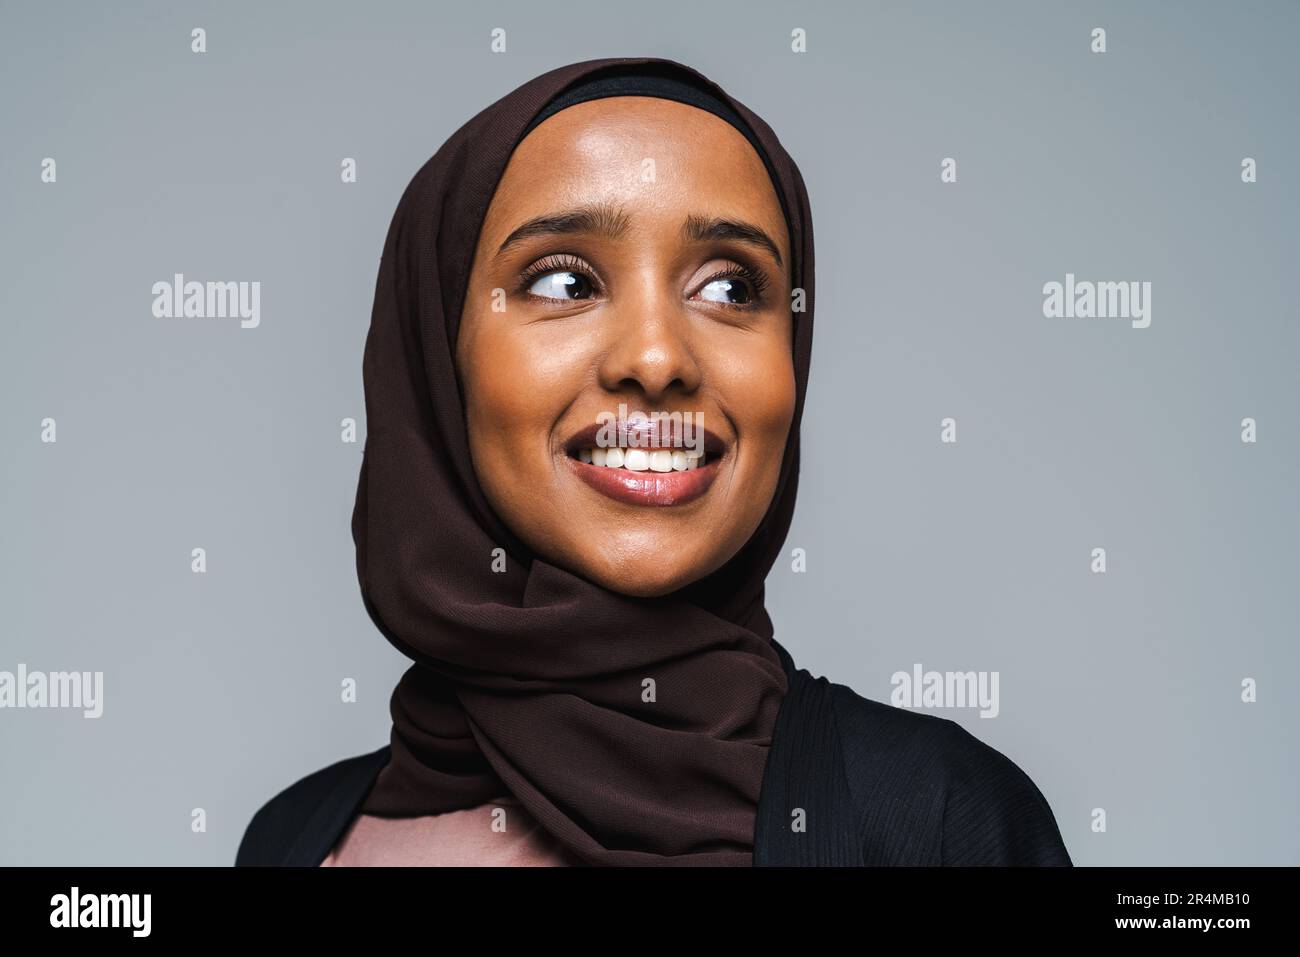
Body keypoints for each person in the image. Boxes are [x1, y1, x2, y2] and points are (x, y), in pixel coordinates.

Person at [235, 56, 1072, 867]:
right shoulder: (293, 840)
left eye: (731, 287)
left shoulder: (936, 822)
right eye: (564, 283)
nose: (657, 355)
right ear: (435, 354)